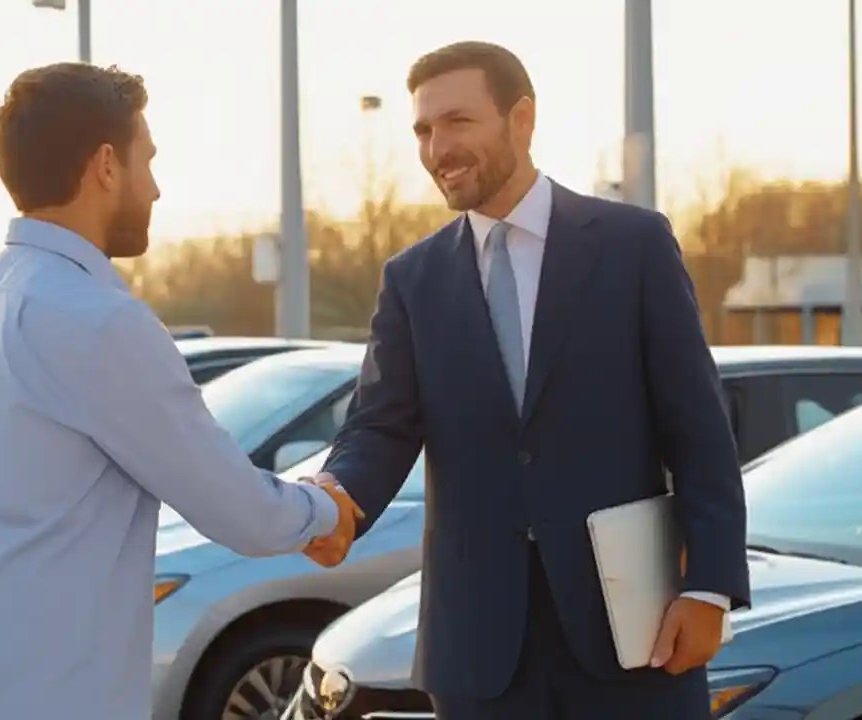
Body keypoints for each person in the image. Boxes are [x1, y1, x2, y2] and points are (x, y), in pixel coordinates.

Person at [0, 63, 360, 720]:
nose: (156, 187)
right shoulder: (98, 318)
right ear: (106, 166)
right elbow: (237, 508)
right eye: (147, 161)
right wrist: (323, 511)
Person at [303, 42, 750, 718]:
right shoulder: (412, 280)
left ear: (522, 119)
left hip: (635, 631)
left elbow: (699, 430)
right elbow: (381, 425)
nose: (436, 149)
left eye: (457, 122)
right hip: (480, 651)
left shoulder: (633, 246)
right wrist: (337, 499)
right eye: (423, 130)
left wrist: (711, 586)